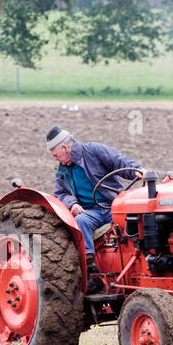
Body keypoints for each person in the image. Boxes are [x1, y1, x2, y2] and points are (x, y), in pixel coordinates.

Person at [46, 125, 142, 292]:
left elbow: (118, 160)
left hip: (112, 205)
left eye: (55, 154)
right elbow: (60, 192)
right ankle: (93, 273)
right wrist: (73, 204)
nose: (55, 158)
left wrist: (136, 170)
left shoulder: (92, 151)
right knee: (80, 221)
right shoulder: (63, 170)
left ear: (64, 147)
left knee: (133, 221)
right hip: (91, 212)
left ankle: (138, 262)